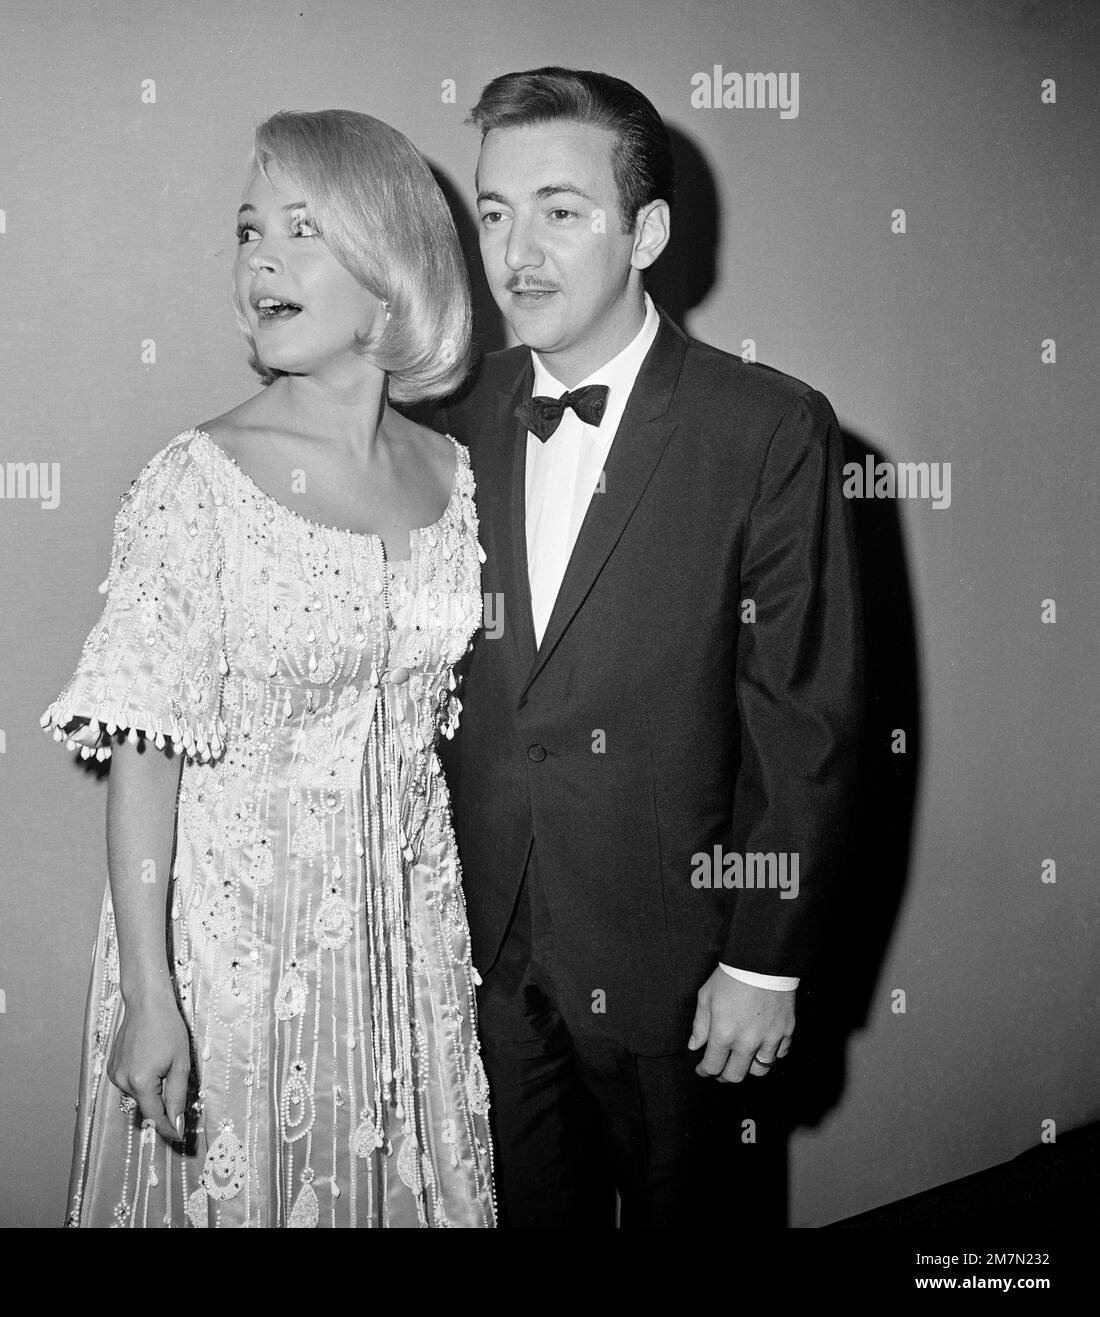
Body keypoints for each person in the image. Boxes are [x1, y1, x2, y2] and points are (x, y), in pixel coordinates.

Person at [40, 108, 495, 1228]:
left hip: (405, 945)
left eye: (304, 230)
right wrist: (153, 997)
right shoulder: (198, 481)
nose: (262, 262)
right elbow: (144, 761)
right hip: (235, 958)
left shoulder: (451, 474)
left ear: (390, 272)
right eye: (249, 232)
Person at [435, 67, 863, 1227]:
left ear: (646, 232)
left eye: (561, 211)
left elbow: (805, 718)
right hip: (490, 967)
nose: (517, 250)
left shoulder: (767, 426)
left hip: (684, 968)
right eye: (492, 211)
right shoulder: (444, 422)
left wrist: (763, 963)